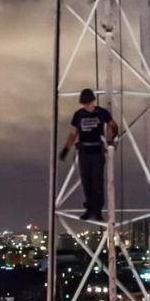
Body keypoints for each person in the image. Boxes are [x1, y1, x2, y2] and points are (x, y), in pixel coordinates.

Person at [59, 88, 118, 221]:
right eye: (84, 103)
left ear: (92, 101)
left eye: (87, 102)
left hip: (97, 151)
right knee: (87, 183)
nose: (86, 105)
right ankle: (89, 209)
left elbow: (113, 125)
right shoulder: (79, 115)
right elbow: (73, 134)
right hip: (84, 152)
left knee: (97, 182)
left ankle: (97, 211)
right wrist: (66, 149)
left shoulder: (101, 113)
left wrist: (110, 139)